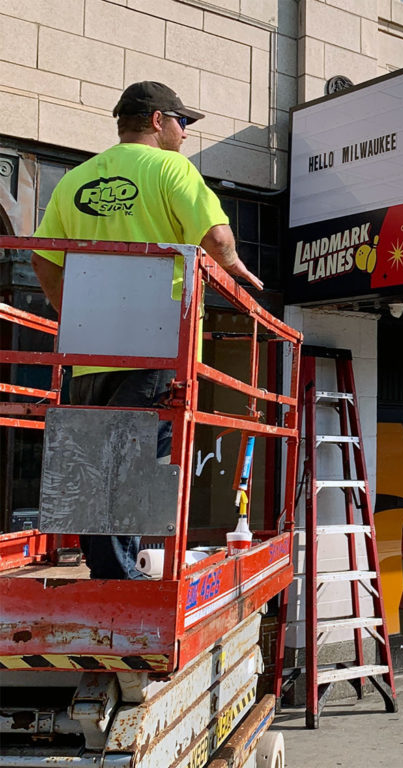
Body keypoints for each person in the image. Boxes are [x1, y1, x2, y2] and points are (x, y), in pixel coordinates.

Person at [31, 81, 263, 580]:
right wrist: (234, 267)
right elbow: (217, 237)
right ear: (158, 121)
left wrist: (73, 314)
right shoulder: (170, 167)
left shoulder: (76, 179)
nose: (186, 133)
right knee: (138, 453)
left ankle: (109, 565)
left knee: (97, 455)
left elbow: (44, 259)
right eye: (183, 122)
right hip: (158, 339)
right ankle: (118, 571)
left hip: (91, 344)